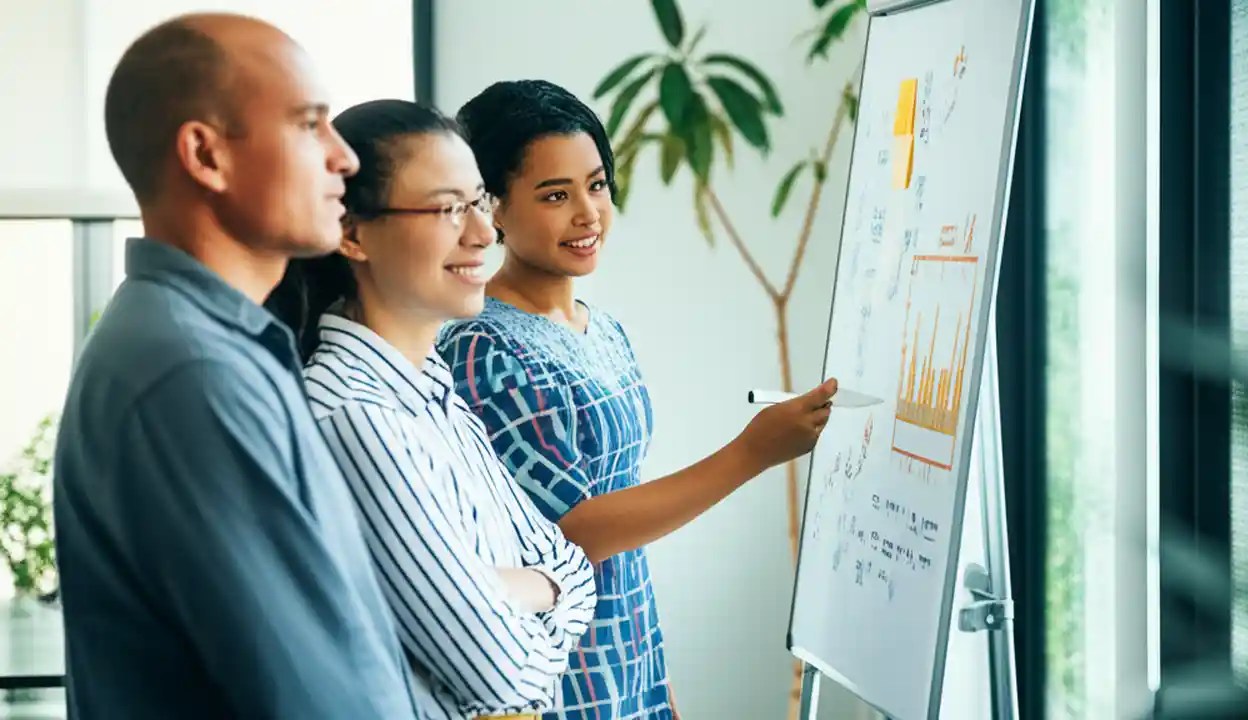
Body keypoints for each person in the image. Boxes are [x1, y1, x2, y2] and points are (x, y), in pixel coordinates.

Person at [52, 14, 421, 719]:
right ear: (206, 155)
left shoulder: (206, 347)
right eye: (311, 124)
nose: (343, 158)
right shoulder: (192, 373)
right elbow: (314, 694)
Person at [438, 79, 838, 720]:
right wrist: (750, 453)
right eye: (555, 195)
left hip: (629, 659)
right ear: (494, 208)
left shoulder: (604, 329)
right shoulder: (484, 350)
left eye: (596, 185)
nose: (588, 214)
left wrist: (659, 680)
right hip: (555, 676)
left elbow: (628, 532)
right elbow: (571, 533)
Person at [264, 98, 597, 720]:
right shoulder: (356, 417)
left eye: (478, 202)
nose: (482, 233)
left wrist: (515, 589)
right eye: (448, 209)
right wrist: (534, 588)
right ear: (352, 234)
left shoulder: (431, 388)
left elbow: (576, 569)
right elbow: (504, 675)